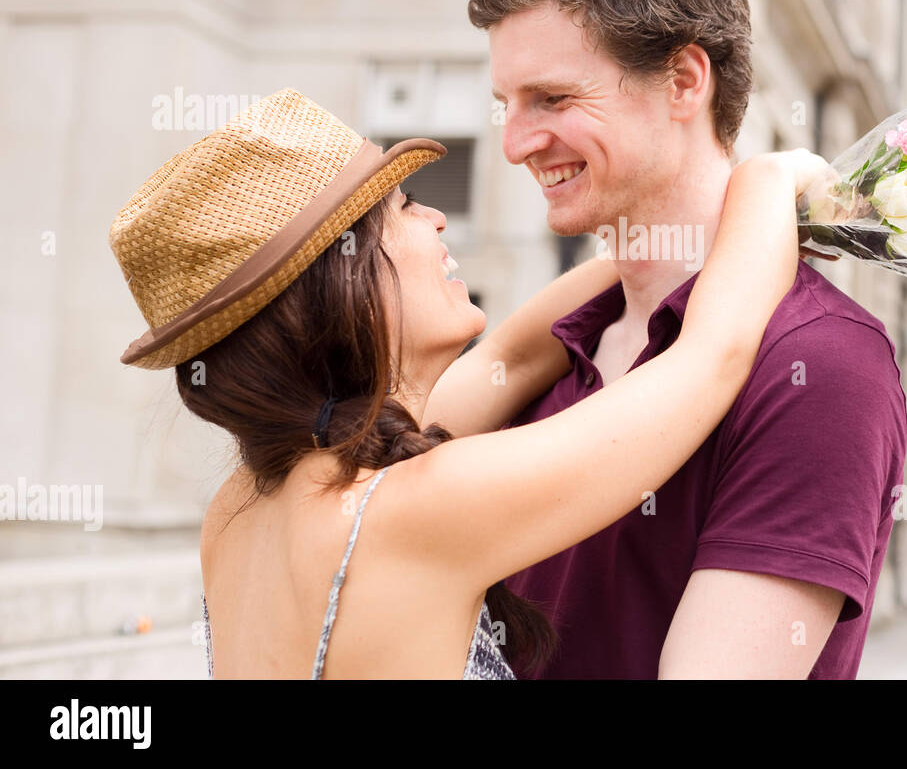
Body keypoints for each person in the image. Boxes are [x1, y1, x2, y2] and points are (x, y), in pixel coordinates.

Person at [108, 87, 831, 678]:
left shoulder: (249, 507)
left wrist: (681, 221)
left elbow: (515, 356)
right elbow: (709, 359)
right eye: (404, 209)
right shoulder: (419, 508)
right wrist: (767, 181)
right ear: (342, 283)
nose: (438, 219)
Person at [465, 0, 907, 679]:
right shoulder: (544, 354)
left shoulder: (821, 364)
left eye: (553, 99)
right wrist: (766, 192)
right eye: (506, 105)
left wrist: (765, 195)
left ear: (682, 81)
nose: (513, 145)